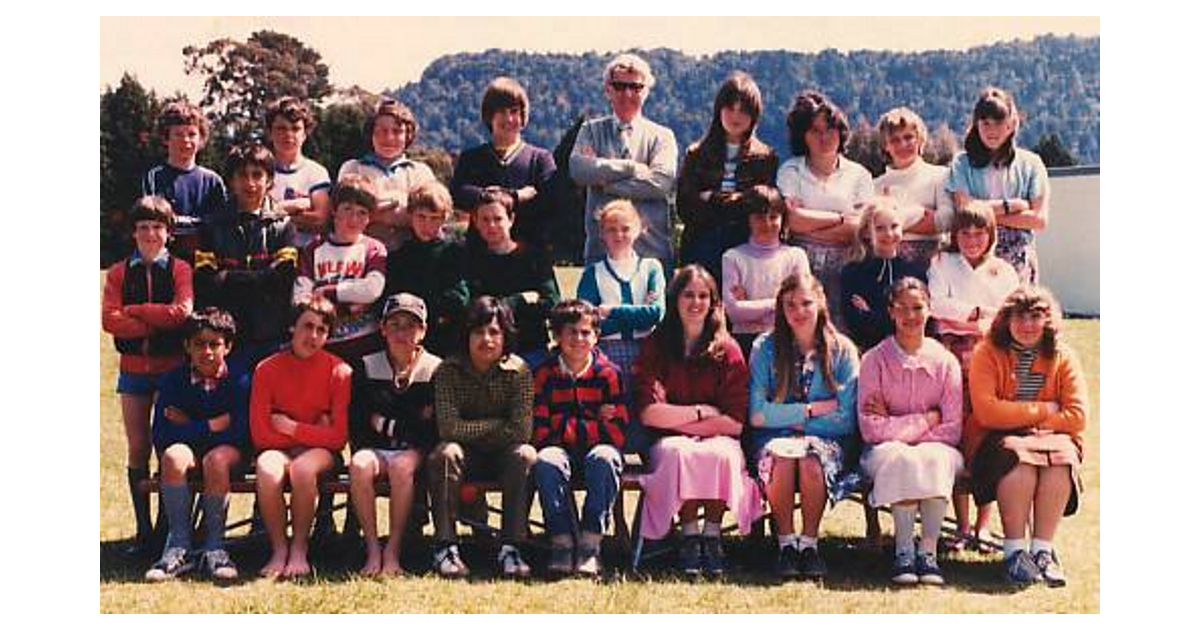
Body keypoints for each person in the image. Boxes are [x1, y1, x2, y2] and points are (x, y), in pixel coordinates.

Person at [632, 264, 761, 577]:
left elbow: (734, 423)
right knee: (679, 451)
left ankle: (712, 536)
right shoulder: (656, 345)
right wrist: (702, 412)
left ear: (714, 302)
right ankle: (689, 535)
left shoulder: (728, 349)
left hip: (719, 437)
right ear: (675, 299)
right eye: (688, 295)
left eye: (704, 296)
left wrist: (676, 418)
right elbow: (649, 411)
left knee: (720, 453)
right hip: (666, 440)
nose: (695, 303)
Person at [967, 286, 1086, 587]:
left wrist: (1026, 419)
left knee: (1061, 459)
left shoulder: (1063, 356)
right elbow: (988, 413)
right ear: (1006, 320)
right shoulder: (987, 352)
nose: (1028, 325)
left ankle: (1043, 551)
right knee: (1018, 460)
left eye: (1036, 317)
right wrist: (1043, 409)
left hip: (1050, 438)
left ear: (1048, 321)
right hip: (996, 439)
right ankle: (1015, 552)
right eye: (1020, 317)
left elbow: (1078, 416)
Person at [746, 272, 859, 580]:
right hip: (774, 439)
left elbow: (847, 419)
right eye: (790, 305)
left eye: (806, 303)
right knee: (781, 458)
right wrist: (808, 411)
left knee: (811, 461)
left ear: (820, 303)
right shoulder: (765, 348)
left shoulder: (842, 350)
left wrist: (792, 420)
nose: (798, 311)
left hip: (827, 441)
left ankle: (809, 545)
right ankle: (786, 545)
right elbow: (757, 414)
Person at [102, 196, 194, 556]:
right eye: (143, 228)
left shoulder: (180, 270)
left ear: (169, 232)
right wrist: (155, 322)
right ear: (134, 233)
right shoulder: (119, 272)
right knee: (138, 448)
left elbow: (181, 314)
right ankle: (143, 532)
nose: (150, 234)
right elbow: (110, 320)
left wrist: (137, 312)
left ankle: (167, 526)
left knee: (168, 448)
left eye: (157, 227)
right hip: (134, 372)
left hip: (172, 369)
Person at [857, 278, 963, 586]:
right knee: (900, 457)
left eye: (917, 307)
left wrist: (899, 426)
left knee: (933, 457)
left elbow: (952, 427)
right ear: (890, 312)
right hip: (883, 451)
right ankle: (903, 550)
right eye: (901, 308)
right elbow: (869, 426)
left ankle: (928, 552)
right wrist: (926, 419)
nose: (910, 315)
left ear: (929, 310)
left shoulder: (945, 362)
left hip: (938, 447)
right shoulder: (874, 360)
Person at [928, 201, 1020, 550]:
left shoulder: (1004, 271)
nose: (971, 239)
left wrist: (973, 318)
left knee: (983, 431)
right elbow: (937, 305)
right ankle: (961, 525)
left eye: (979, 232)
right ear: (954, 235)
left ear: (990, 234)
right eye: (964, 232)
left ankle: (983, 525)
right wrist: (979, 312)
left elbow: (1010, 314)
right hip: (950, 352)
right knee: (954, 429)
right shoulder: (942, 262)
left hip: (991, 356)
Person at [427, 297, 537, 579]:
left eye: (494, 332)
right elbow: (448, 429)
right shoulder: (448, 371)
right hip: (464, 456)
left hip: (504, 456)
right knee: (445, 453)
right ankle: (446, 546)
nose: (486, 339)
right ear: (467, 335)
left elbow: (521, 432)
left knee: (524, 454)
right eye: (478, 332)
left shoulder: (520, 372)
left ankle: (512, 546)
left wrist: (474, 428)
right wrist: (495, 425)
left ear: (505, 336)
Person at [145, 307, 250, 583]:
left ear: (228, 346)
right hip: (193, 450)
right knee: (172, 456)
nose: (207, 352)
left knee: (214, 459)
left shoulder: (240, 380)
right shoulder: (172, 380)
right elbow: (162, 434)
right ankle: (179, 547)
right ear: (187, 347)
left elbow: (240, 433)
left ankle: (214, 548)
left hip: (230, 455)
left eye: (214, 344)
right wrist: (211, 425)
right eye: (199, 344)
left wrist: (188, 424)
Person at [250, 295, 352, 578]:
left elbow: (338, 439)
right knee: (267, 468)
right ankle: (279, 549)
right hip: (280, 449)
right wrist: (316, 431)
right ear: (292, 328)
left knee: (303, 469)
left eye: (322, 330)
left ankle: (299, 549)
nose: (314, 335)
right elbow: (260, 435)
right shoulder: (266, 369)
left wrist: (291, 427)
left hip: (319, 455)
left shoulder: (340, 371)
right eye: (307, 326)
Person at [531, 299, 629, 578]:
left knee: (605, 457)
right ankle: (561, 541)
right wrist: (593, 421)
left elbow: (617, 434)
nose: (578, 338)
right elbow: (540, 431)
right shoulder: (544, 375)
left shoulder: (609, 374)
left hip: (595, 452)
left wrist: (562, 424)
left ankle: (590, 544)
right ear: (557, 336)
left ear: (596, 336)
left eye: (586, 332)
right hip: (557, 451)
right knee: (546, 460)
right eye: (570, 332)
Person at [348, 293, 442, 577]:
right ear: (383, 328)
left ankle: (393, 551)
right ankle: (373, 548)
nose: (402, 332)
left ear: (423, 330)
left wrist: (385, 423)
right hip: (375, 449)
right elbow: (360, 422)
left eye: (411, 325)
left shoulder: (435, 368)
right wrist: (406, 422)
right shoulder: (366, 366)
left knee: (402, 468)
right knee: (359, 465)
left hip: (415, 452)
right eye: (395, 324)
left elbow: (430, 429)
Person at [776, 90, 873, 329]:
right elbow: (792, 221)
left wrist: (810, 225)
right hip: (801, 267)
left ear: (840, 131)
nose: (824, 137)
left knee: (842, 332)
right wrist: (841, 218)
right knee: (801, 329)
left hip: (847, 268)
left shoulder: (859, 175)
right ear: (803, 136)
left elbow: (860, 228)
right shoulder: (791, 171)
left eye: (830, 129)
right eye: (815, 131)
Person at [571, 52, 678, 269]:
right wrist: (632, 168)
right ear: (607, 89)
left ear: (646, 91)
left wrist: (605, 182)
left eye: (636, 87)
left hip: (651, 255)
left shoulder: (662, 136)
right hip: (601, 254)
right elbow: (579, 169)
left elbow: (660, 183)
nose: (627, 93)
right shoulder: (590, 131)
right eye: (619, 86)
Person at [194, 141, 298, 367]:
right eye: (242, 175)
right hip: (227, 336)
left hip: (271, 334)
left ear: (269, 180)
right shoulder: (211, 225)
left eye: (257, 175)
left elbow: (282, 279)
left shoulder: (284, 225)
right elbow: (205, 281)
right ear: (231, 180)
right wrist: (262, 277)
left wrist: (228, 277)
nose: (250, 183)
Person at [677, 71, 779, 280]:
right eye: (730, 108)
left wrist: (711, 198)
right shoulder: (696, 154)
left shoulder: (765, 158)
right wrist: (738, 200)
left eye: (744, 110)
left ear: (755, 115)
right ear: (718, 110)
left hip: (747, 247)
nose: (736, 116)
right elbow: (685, 207)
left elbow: (762, 206)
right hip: (700, 245)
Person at [946, 87, 1051, 285]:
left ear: (1011, 124)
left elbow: (1039, 220)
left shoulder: (1032, 163)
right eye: (986, 123)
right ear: (976, 125)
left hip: (1019, 261)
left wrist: (984, 211)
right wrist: (1011, 206)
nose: (992, 130)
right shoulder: (962, 163)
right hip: (974, 254)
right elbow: (964, 210)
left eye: (999, 122)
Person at [450, 76, 557, 255]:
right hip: (479, 255)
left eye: (514, 111)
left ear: (523, 117)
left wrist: (486, 198)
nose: (508, 118)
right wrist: (513, 197)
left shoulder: (540, 159)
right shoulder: (471, 158)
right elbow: (457, 194)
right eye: (501, 111)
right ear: (489, 116)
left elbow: (549, 201)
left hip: (528, 254)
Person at [574, 199, 666, 399]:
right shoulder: (593, 273)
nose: (619, 235)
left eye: (625, 228)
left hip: (647, 349)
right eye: (611, 229)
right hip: (607, 352)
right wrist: (637, 315)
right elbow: (589, 323)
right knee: (613, 407)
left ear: (639, 229)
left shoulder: (651, 267)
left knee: (647, 406)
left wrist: (610, 311)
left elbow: (655, 314)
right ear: (602, 233)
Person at [293, 174, 388, 363]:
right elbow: (300, 298)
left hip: (365, 343)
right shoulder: (313, 249)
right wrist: (350, 302)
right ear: (334, 210)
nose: (353, 219)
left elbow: (372, 289)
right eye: (347, 209)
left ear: (369, 218)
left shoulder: (373, 249)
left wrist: (327, 293)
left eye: (362, 213)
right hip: (325, 344)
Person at [464, 190, 560, 367]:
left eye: (498, 219)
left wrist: (496, 306)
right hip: (489, 353)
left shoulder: (535, 258)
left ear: (511, 219)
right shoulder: (472, 262)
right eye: (485, 219)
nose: (491, 225)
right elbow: (476, 311)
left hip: (531, 350)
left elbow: (551, 304)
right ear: (476, 222)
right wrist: (519, 300)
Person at [721, 185, 811, 359]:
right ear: (748, 219)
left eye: (773, 217)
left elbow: (802, 305)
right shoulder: (733, 258)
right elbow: (733, 311)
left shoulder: (796, 256)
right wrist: (781, 303)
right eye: (759, 217)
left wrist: (752, 308)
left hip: (786, 339)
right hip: (744, 341)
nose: (767, 223)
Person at [383, 180, 470, 357]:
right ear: (410, 215)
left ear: (445, 217)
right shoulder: (399, 257)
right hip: (406, 337)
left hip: (445, 336)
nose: (426, 225)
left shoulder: (456, 252)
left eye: (434, 218)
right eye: (421, 217)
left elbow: (459, 298)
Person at [338, 99, 438, 252]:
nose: (389, 137)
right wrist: (401, 211)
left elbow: (433, 216)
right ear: (371, 133)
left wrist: (374, 213)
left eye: (397, 131)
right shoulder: (353, 168)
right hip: (361, 255)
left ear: (408, 135)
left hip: (412, 255)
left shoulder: (421, 172)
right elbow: (341, 216)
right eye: (382, 130)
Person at [141, 101, 228, 261]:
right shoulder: (154, 177)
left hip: (207, 260)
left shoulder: (213, 181)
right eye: (178, 134)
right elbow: (158, 220)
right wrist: (198, 224)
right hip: (167, 259)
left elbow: (220, 223)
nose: (185, 140)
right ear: (166, 138)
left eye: (192, 134)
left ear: (201, 138)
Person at [840, 196, 927, 355]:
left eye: (894, 226)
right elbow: (856, 325)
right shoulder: (853, 273)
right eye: (880, 228)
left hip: (909, 353)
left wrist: (871, 314)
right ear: (867, 232)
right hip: (868, 353)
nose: (888, 234)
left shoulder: (915, 272)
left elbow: (921, 322)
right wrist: (899, 318)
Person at [872, 107, 954, 270]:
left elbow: (946, 219)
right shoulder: (876, 185)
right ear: (886, 145)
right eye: (895, 140)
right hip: (889, 264)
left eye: (909, 137)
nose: (903, 144)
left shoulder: (940, 176)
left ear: (920, 139)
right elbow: (870, 229)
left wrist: (892, 222)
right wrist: (921, 214)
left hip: (932, 263)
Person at [264, 96, 332, 250]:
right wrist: (296, 206)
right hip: (266, 257)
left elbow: (320, 220)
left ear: (305, 134)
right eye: (281, 128)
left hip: (307, 257)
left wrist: (274, 212)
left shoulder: (316, 173)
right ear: (270, 133)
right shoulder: (259, 171)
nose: (288, 134)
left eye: (295, 128)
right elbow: (253, 217)